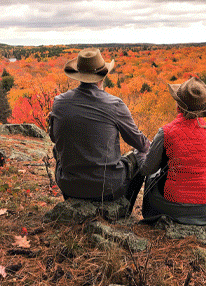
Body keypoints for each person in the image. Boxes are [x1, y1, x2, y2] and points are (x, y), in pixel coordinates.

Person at [49, 49, 149, 202]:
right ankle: (124, 209)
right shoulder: (114, 104)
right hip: (106, 188)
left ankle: (74, 199)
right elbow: (140, 144)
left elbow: (54, 138)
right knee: (141, 155)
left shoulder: (59, 102)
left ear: (79, 75)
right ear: (102, 77)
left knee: (58, 150)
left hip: (69, 186)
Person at [139, 77, 206, 225]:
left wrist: (140, 154)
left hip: (175, 207)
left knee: (151, 176)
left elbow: (147, 169)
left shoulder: (167, 132)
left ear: (179, 106)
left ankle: (149, 218)